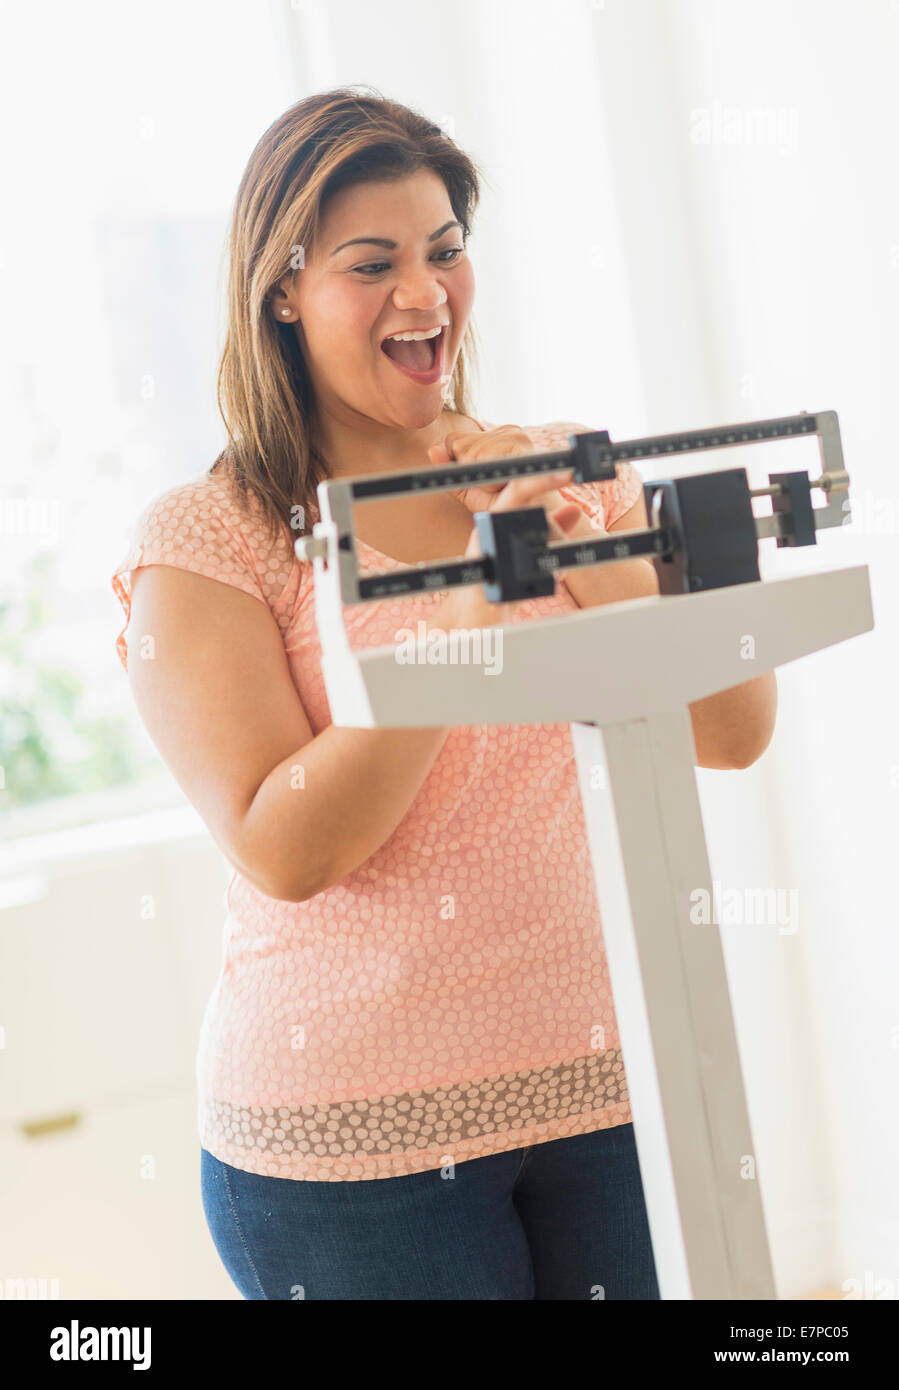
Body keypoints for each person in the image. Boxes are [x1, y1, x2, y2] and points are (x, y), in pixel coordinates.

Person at [112, 87, 775, 1301]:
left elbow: (729, 726)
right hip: (351, 1154)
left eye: (445, 253)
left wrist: (578, 541)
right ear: (282, 288)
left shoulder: (560, 466)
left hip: (598, 1091)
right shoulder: (212, 539)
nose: (424, 296)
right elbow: (285, 845)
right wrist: (470, 614)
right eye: (373, 264)